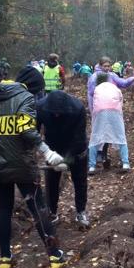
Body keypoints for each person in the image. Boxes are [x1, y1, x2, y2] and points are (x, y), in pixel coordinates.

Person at [0, 66, 67, 268]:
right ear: (34, 86)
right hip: (21, 164)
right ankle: (54, 256)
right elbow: (26, 129)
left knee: (4, 207)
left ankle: (5, 257)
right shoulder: (25, 99)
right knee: (37, 207)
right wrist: (47, 151)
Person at [37, 89, 90, 229]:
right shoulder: (41, 107)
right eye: (53, 112)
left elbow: (79, 137)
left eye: (59, 112)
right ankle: (52, 212)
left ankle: (81, 211)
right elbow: (33, 132)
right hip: (53, 147)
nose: (56, 114)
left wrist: (67, 159)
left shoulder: (77, 108)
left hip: (76, 148)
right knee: (51, 182)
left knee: (80, 180)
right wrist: (46, 152)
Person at [88, 73, 131, 174]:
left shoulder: (96, 88)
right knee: (120, 136)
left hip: (99, 112)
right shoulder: (114, 87)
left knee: (95, 137)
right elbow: (121, 101)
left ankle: (92, 166)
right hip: (115, 111)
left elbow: (94, 104)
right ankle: (125, 163)